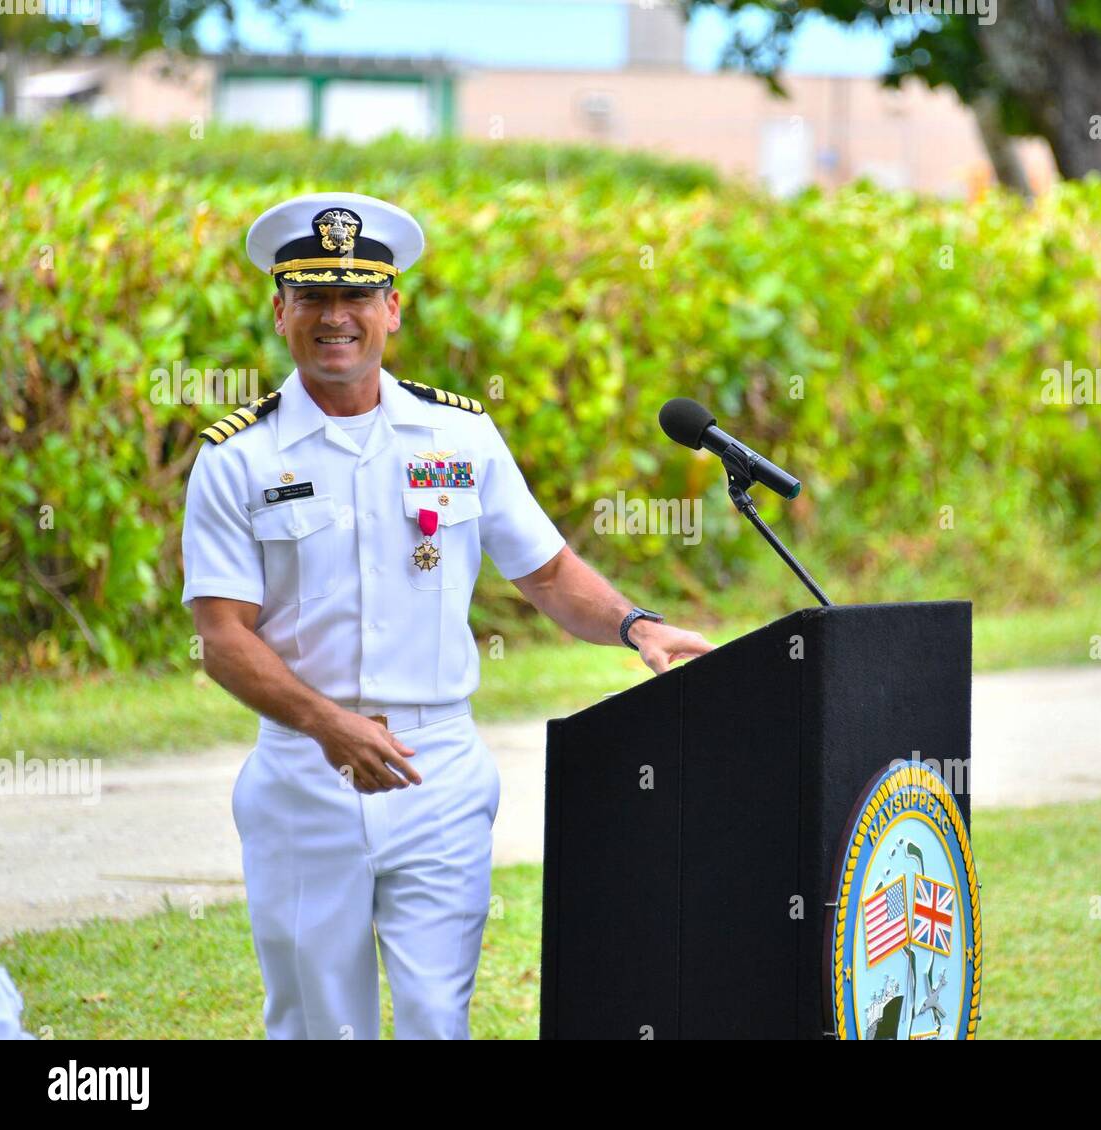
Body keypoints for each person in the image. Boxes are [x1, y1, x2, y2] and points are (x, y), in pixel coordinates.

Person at [180, 192, 714, 1040]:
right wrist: (332, 728)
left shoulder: (459, 437)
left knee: (437, 1019)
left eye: (357, 296)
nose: (335, 318)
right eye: (313, 296)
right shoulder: (236, 459)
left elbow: (546, 572)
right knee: (323, 1026)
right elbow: (222, 638)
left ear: (392, 307)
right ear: (280, 309)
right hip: (305, 779)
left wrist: (636, 624)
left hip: (438, 773)